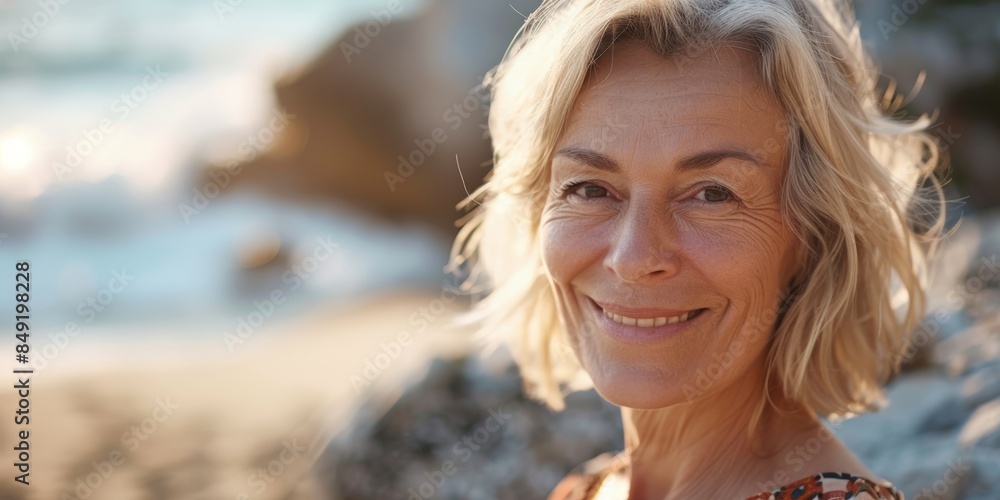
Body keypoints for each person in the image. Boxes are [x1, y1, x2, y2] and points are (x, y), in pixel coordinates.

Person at [449, 0, 946, 498]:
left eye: (712, 194)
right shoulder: (591, 488)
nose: (633, 258)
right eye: (590, 189)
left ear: (812, 236)